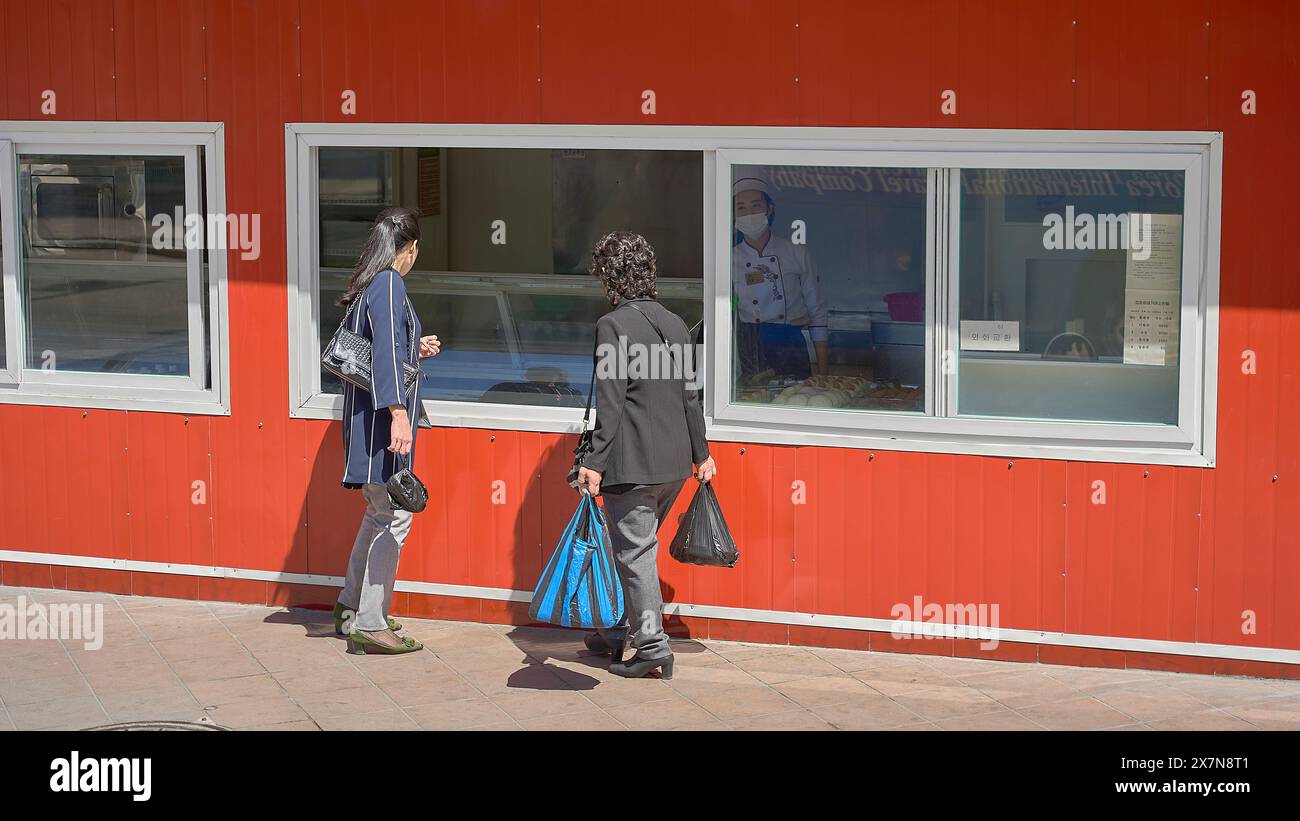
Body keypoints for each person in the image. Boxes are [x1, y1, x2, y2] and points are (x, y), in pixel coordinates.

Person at [575, 230, 716, 679]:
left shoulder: (612, 325)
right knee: (635, 549)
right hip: (674, 466)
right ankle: (623, 628)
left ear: (611, 279)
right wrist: (702, 455)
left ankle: (652, 645)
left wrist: (592, 464)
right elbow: (690, 397)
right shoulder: (675, 323)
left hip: (631, 465)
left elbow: (611, 403)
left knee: (632, 553)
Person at [333, 207, 442, 655]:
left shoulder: (371, 284)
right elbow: (382, 356)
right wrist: (400, 414)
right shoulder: (391, 283)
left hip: (366, 424)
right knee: (395, 518)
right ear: (410, 249)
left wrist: (411, 347)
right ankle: (372, 623)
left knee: (378, 514)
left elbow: (383, 347)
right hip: (382, 427)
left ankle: (351, 606)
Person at [732, 176, 829, 379]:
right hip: (751, 346)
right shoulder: (728, 259)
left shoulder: (796, 253)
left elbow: (817, 311)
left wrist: (823, 372)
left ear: (769, 209)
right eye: (741, 208)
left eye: (755, 205)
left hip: (790, 343)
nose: (749, 213)